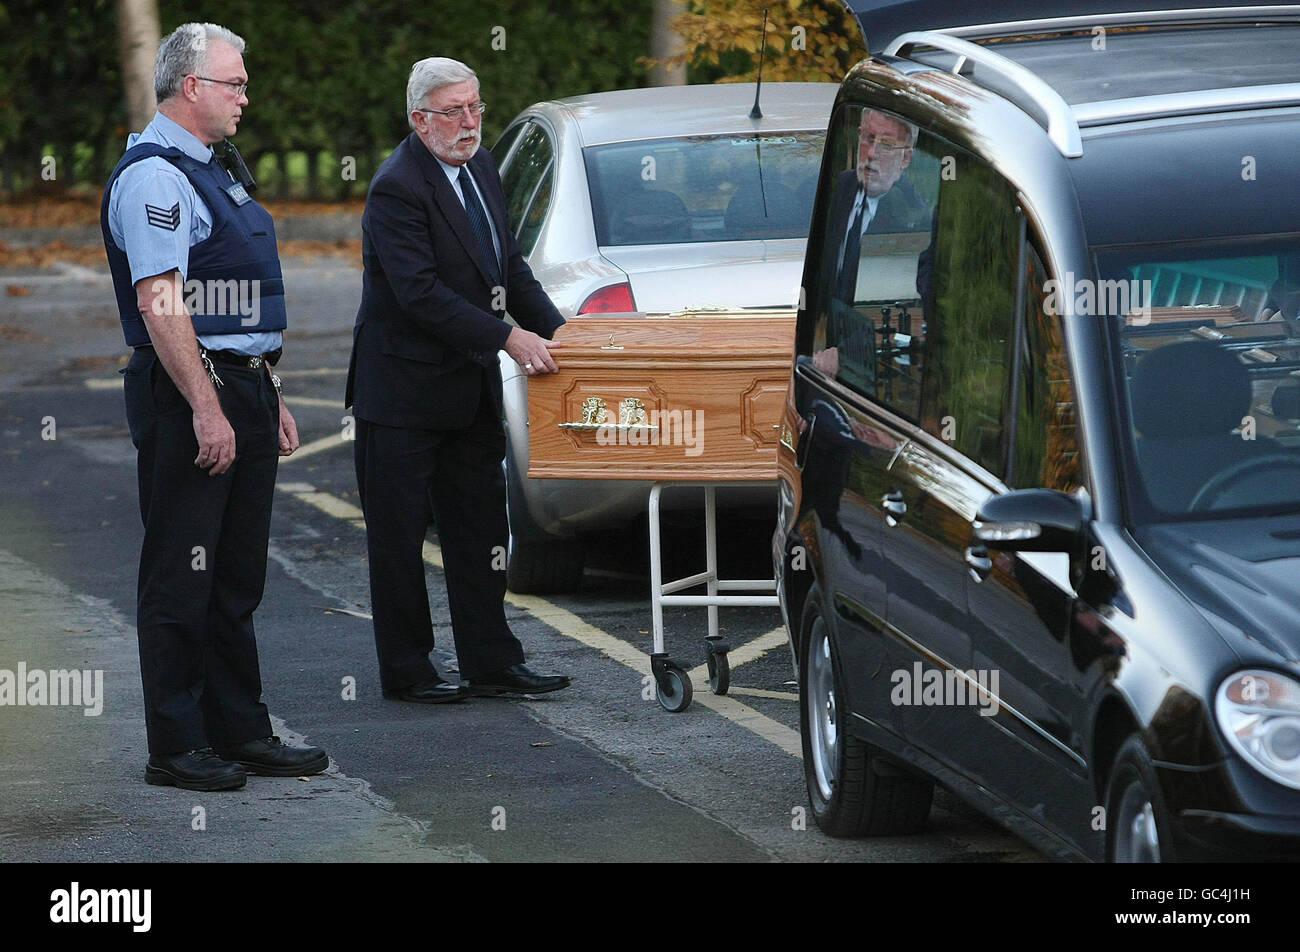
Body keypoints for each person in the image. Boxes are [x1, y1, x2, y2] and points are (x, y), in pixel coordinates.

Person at [101, 22, 328, 791]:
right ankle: (177, 744)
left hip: (242, 384)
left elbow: (235, 302)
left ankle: (240, 729)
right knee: (180, 575)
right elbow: (162, 302)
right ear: (191, 87)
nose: (244, 96)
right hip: (190, 388)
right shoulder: (157, 177)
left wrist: (268, 390)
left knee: (234, 576)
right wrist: (206, 405)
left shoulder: (210, 168)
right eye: (233, 83)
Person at [345, 57, 571, 704]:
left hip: (467, 386)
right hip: (402, 394)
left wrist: (560, 335)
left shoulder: (481, 168)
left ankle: (490, 660)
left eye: (475, 107)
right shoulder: (397, 188)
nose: (470, 123)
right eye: (454, 112)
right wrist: (508, 337)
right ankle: (409, 669)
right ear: (420, 120)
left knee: (479, 532)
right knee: (399, 539)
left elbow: (510, 268)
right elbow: (419, 294)